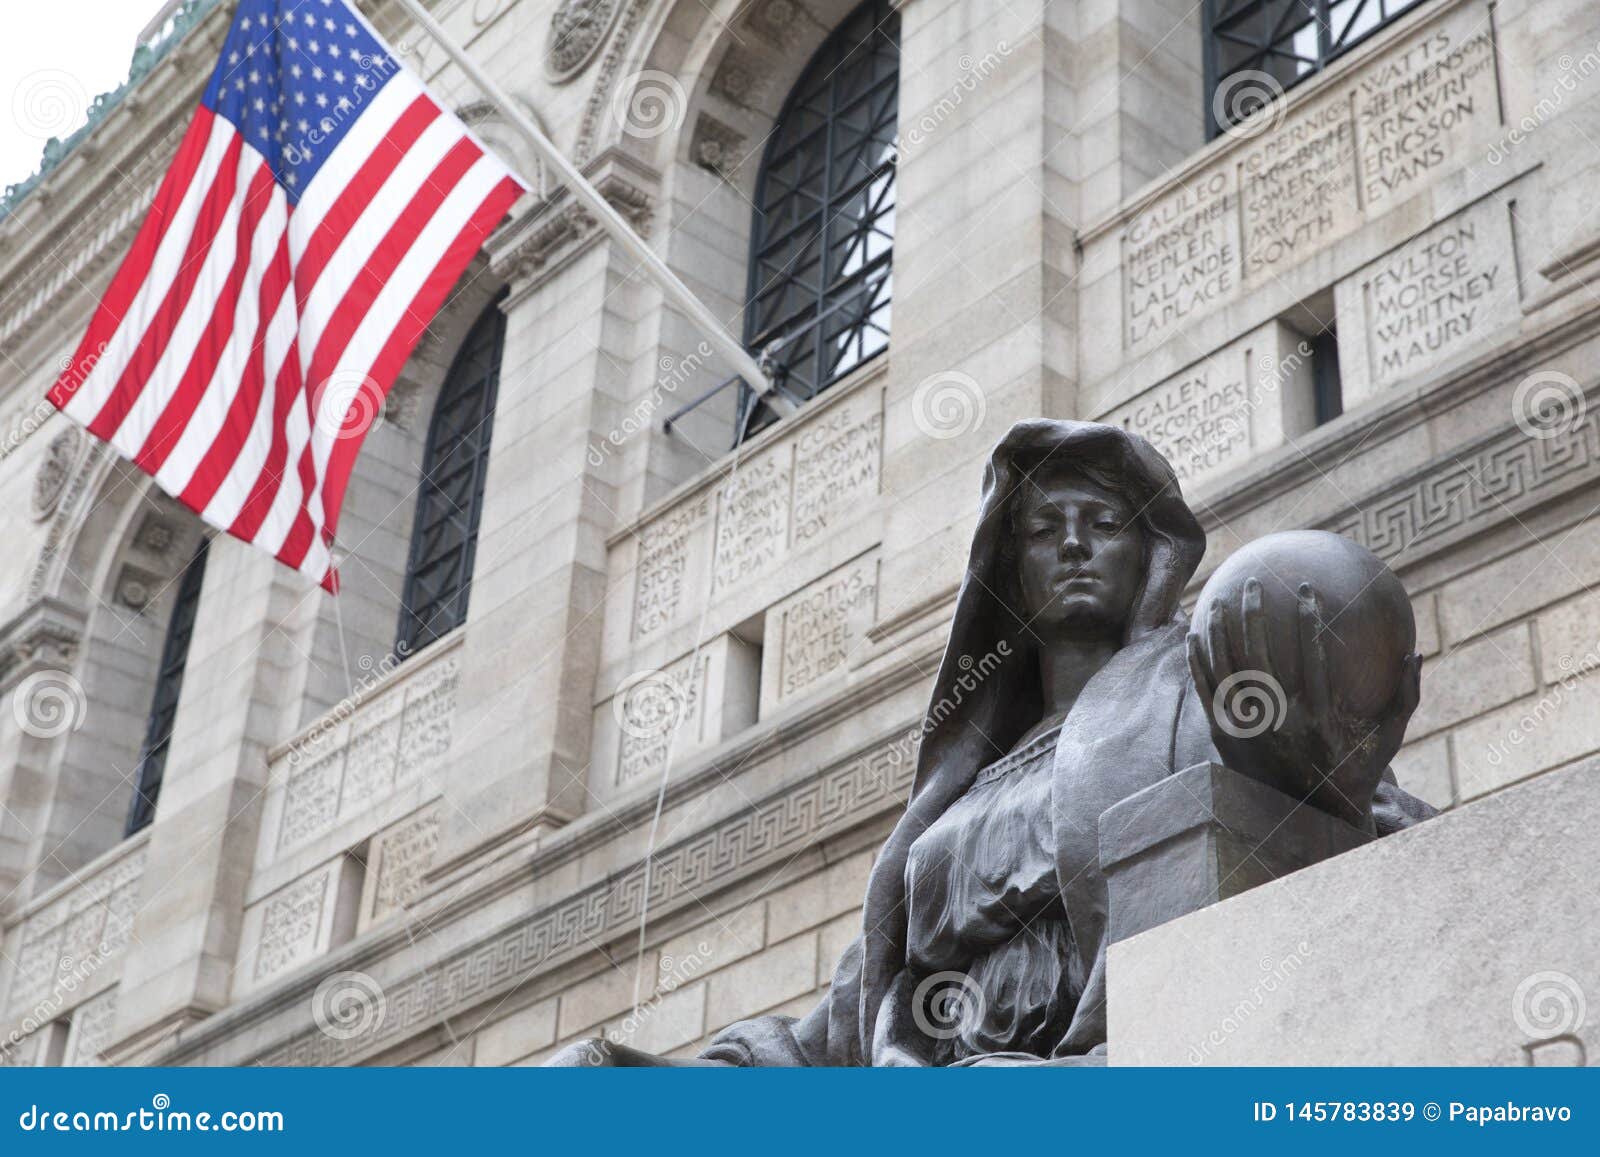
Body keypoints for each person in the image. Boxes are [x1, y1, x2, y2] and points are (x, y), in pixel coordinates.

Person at [549, 419, 1434, 1067]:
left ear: (1151, 553)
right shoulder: (955, 795)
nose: (1076, 545)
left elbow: (1360, 819)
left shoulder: (1206, 696)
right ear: (1010, 572)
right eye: (1046, 531)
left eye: (1104, 523)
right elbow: (847, 1026)